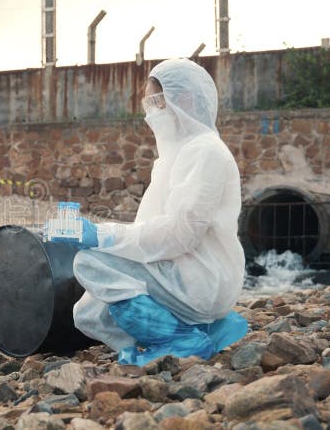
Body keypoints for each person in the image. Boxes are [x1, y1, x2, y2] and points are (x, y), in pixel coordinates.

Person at [55, 58, 248, 365]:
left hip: (200, 277)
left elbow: (179, 234)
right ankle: (175, 335)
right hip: (178, 270)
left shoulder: (205, 151)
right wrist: (91, 232)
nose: (150, 113)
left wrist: (100, 236)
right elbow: (152, 228)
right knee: (87, 314)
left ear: (181, 99)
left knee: (90, 262)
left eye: (155, 101)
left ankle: (179, 339)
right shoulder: (176, 156)